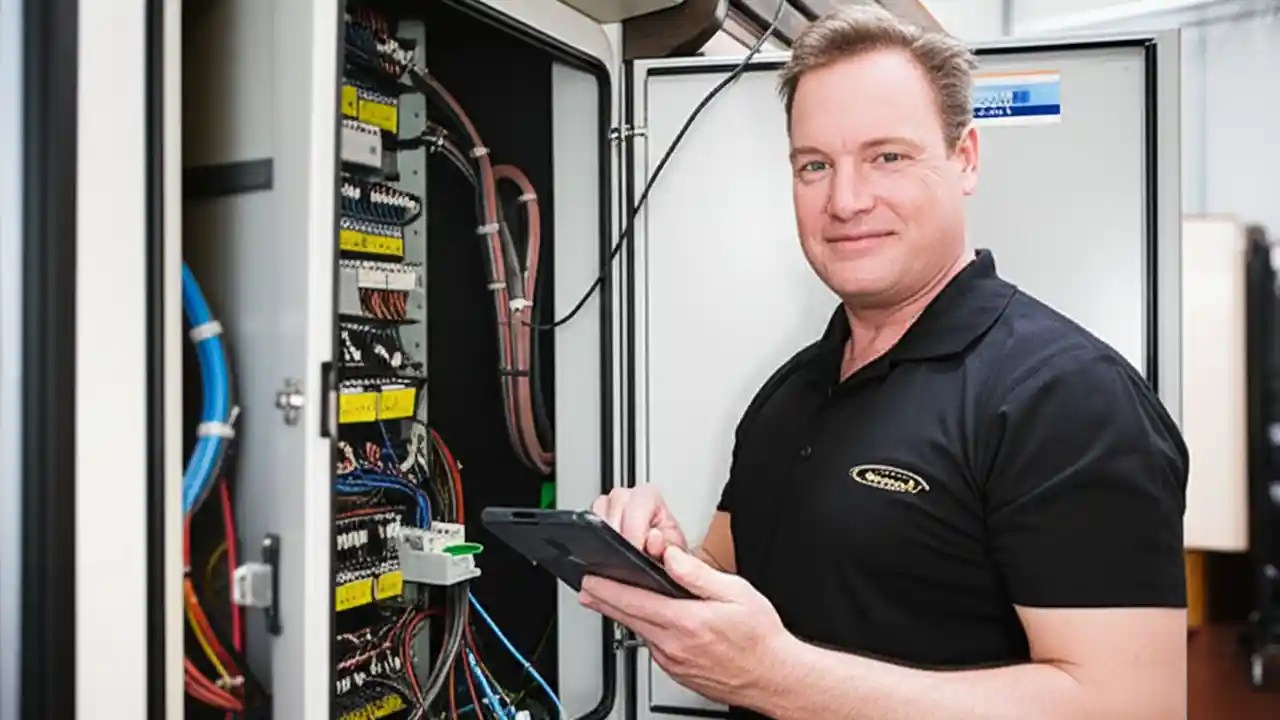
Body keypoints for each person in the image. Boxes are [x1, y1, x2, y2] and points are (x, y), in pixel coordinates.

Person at [578, 5, 1189, 720]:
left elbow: (1128, 705)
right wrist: (662, 562)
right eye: (815, 166)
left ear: (965, 159)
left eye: (887, 157)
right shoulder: (791, 392)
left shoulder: (1068, 397)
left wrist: (780, 678)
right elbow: (734, 572)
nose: (845, 200)